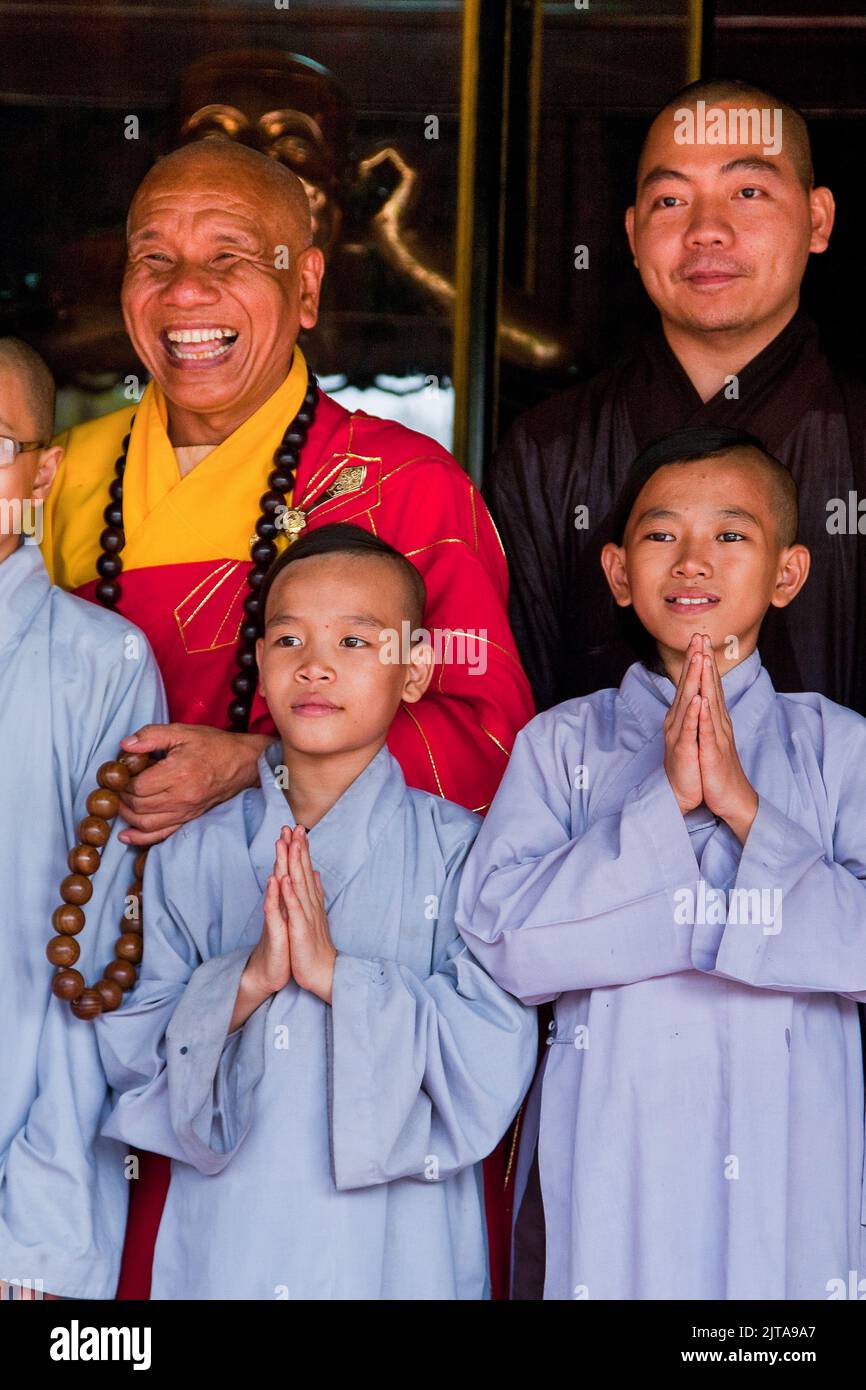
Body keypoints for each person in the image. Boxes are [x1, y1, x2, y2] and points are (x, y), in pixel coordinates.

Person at [39, 139, 534, 1296]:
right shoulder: (60, 480)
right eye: (153, 258)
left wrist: (254, 758)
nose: (186, 293)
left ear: (307, 285)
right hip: (66, 965)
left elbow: (485, 740)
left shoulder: (406, 488)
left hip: (300, 991)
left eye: (229, 258)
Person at [457, 426, 866, 1300]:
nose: (692, 563)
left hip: (788, 1138)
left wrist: (747, 810)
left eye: (730, 535)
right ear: (615, 571)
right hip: (613, 1130)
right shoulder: (559, 743)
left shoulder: (840, 747)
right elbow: (501, 940)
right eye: (659, 535)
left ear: (788, 573)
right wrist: (663, 805)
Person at [96, 524, 536, 1299]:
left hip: (402, 1247)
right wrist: (245, 982)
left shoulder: (466, 852)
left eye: (356, 642)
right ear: (260, 666)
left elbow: (494, 1061)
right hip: (229, 1236)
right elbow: (130, 1055)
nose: (317, 665)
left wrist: (337, 976)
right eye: (290, 638)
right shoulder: (190, 855)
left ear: (414, 672)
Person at [486, 78, 866, 716]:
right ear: (634, 236)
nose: (706, 231)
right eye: (670, 200)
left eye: (749, 191)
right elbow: (513, 711)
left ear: (818, 220)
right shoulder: (550, 448)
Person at [0, 339, 166, 1300]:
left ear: (44, 469)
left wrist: (45, 1227)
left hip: (21, 1184)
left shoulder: (99, 664)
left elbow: (96, 954)